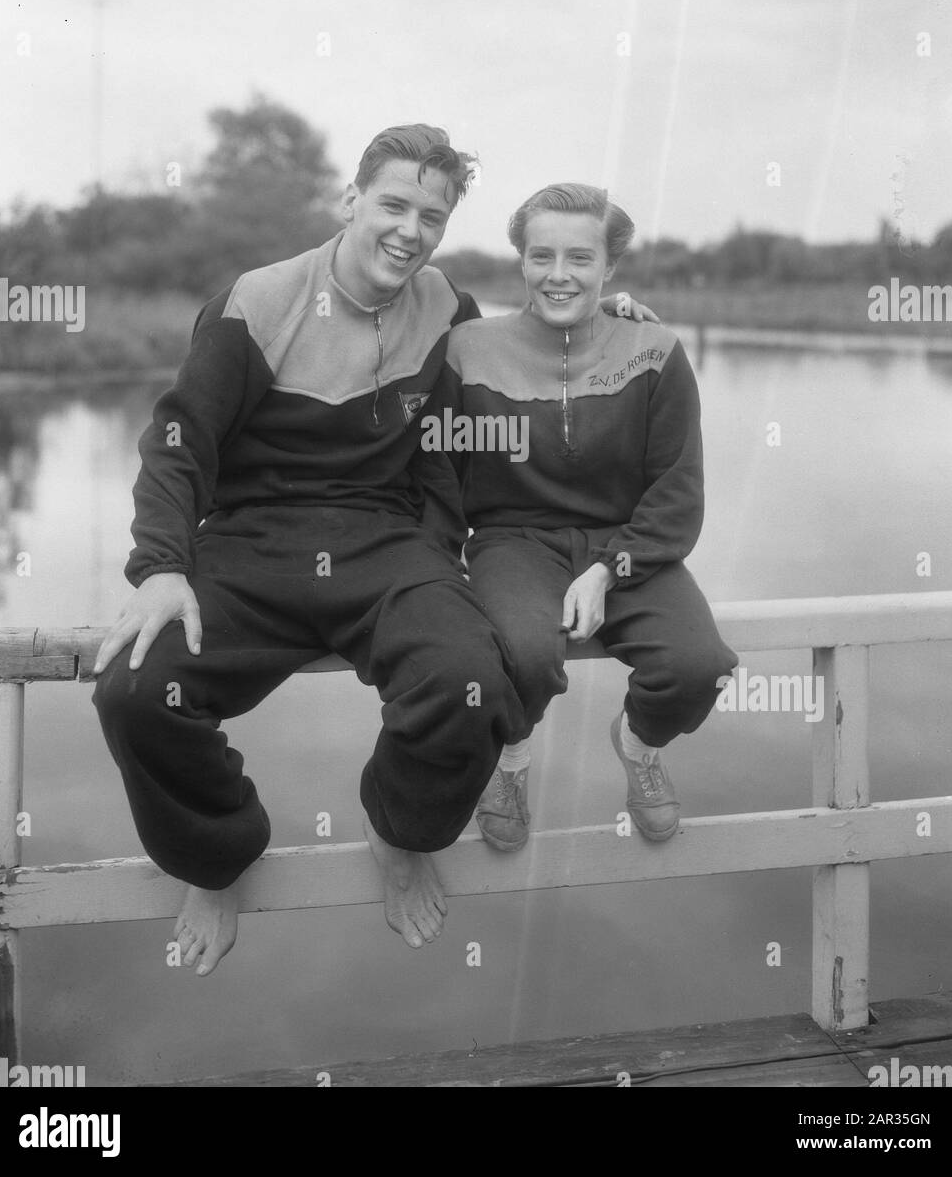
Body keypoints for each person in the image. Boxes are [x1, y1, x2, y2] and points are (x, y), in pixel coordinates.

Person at [92, 129, 654, 973]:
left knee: (471, 685)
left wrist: (603, 324)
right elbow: (179, 440)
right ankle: (215, 857)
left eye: (432, 215)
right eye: (393, 204)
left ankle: (400, 828)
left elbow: (522, 360)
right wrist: (163, 566)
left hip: (387, 544)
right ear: (350, 200)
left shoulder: (446, 308)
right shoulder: (259, 300)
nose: (410, 229)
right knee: (136, 693)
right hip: (251, 543)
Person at [425, 183, 737, 852]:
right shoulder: (468, 349)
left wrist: (608, 568)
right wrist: (434, 577)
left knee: (699, 666)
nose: (559, 275)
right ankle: (509, 763)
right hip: (512, 544)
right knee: (524, 655)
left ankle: (639, 746)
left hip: (631, 548)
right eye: (541, 257)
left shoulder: (654, 349)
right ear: (521, 261)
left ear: (609, 267)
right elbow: (438, 479)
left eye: (579, 259)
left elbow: (677, 490)